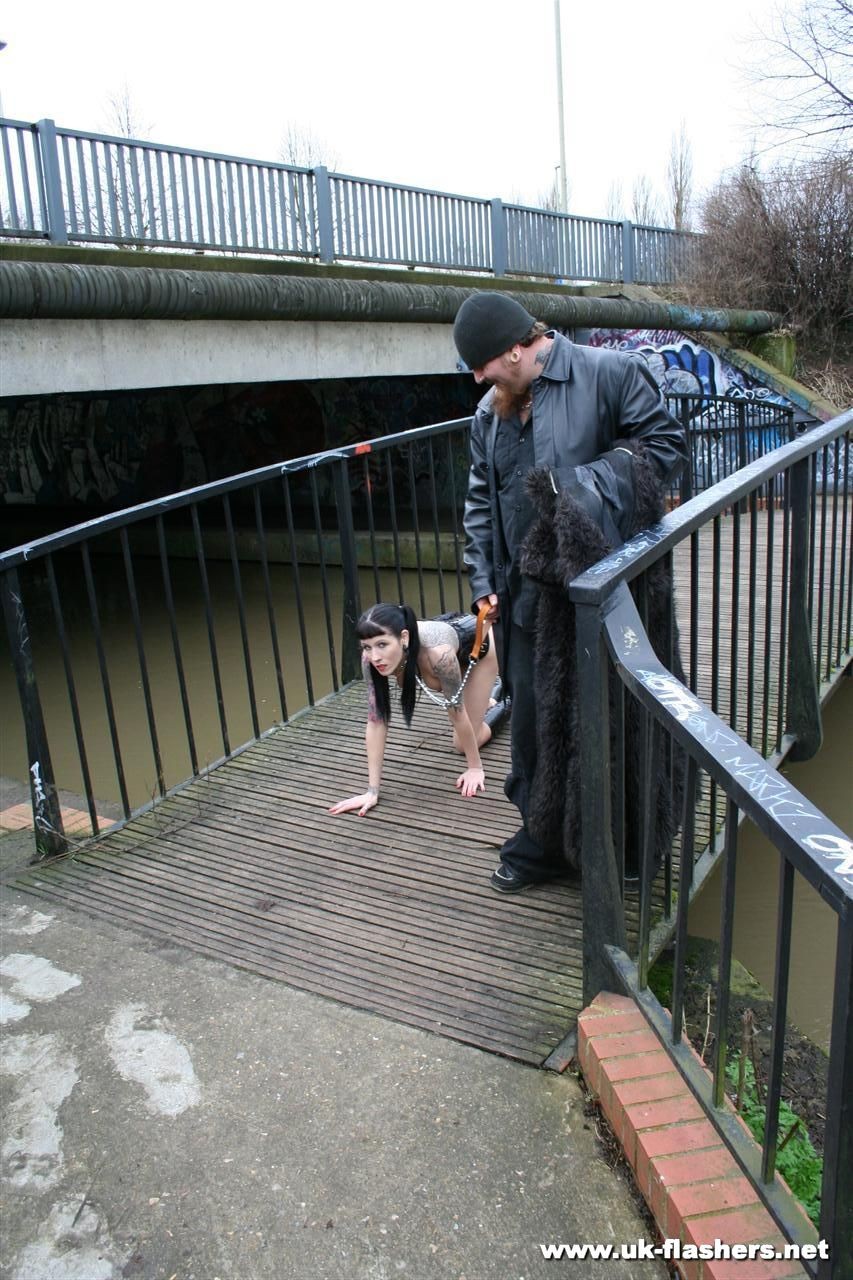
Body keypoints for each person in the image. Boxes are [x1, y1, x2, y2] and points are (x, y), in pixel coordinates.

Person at [454, 291, 688, 892]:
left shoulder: (609, 373)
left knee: (616, 718)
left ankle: (632, 842)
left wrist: (579, 487)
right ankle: (548, 839)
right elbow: (481, 503)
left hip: (605, 593)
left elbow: (665, 450)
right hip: (523, 601)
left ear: (515, 349)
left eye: (482, 364)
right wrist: (484, 584)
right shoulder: (490, 411)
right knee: (534, 723)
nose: (478, 378)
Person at [329, 603, 504, 817]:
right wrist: (371, 792)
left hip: (480, 648)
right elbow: (376, 721)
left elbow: (458, 716)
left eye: (382, 644)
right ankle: (484, 697)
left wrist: (475, 768)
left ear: (403, 638)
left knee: (463, 743)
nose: (374, 656)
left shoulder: (438, 657)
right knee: (459, 695)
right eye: (367, 647)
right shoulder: (371, 659)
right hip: (449, 644)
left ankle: (507, 699)